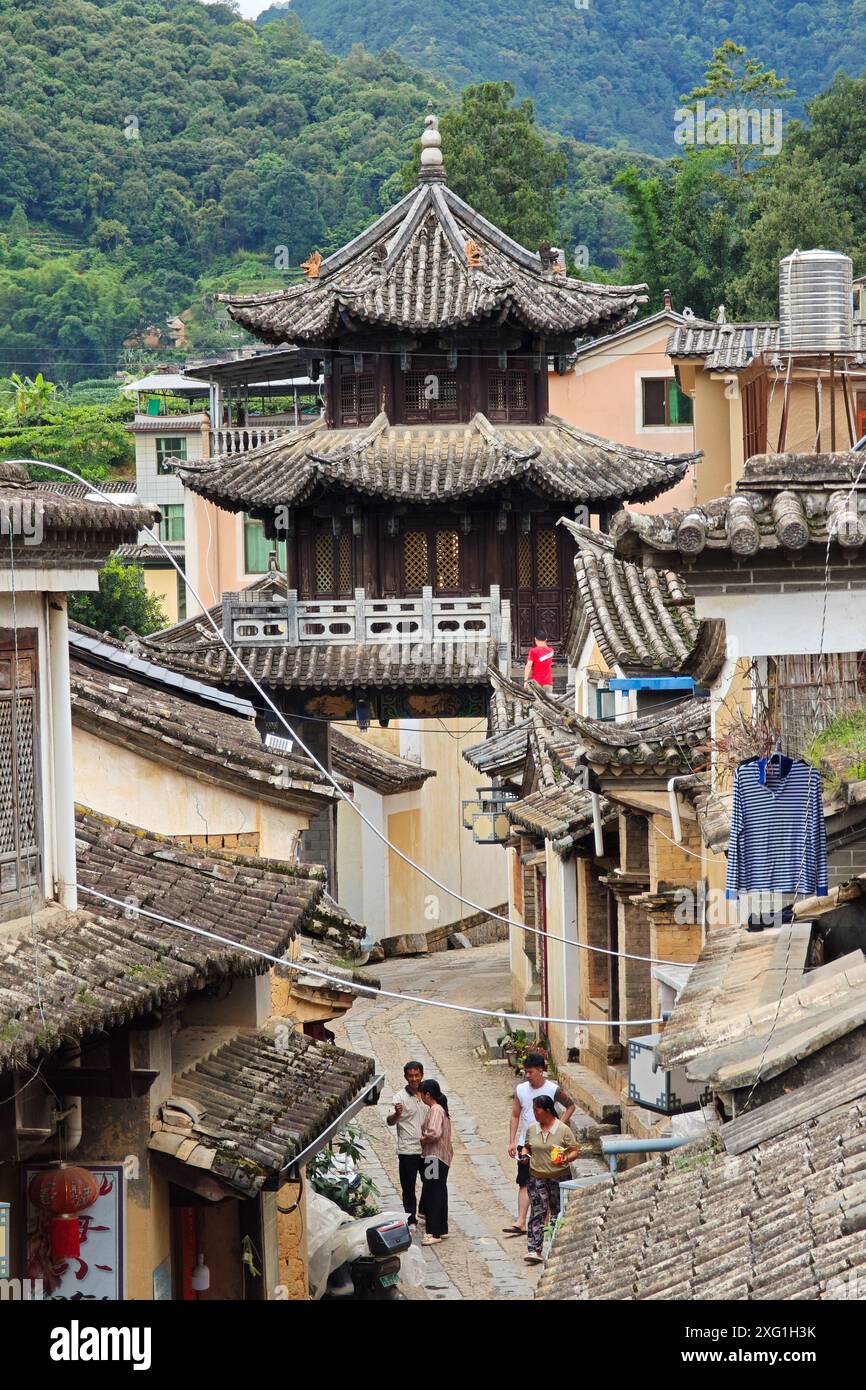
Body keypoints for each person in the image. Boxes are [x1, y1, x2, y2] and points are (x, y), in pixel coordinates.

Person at [504, 1053, 574, 1238]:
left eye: (530, 1072)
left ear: (541, 1071)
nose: (527, 1075)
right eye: (525, 1072)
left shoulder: (553, 1089)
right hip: (526, 1143)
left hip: (550, 1144)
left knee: (549, 1182)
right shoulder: (521, 1090)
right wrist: (512, 1141)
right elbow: (515, 1115)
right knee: (524, 1181)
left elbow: (570, 1106)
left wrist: (560, 1125)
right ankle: (520, 1220)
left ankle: (545, 1222)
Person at [519, 1094, 580, 1265]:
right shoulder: (532, 1128)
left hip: (558, 1177)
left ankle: (556, 1245)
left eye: (537, 1110)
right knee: (538, 1211)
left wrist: (566, 1158)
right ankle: (534, 1248)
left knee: (557, 1212)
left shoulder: (562, 1130)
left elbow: (575, 1150)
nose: (535, 1113)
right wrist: (524, 1155)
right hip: (537, 1176)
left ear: (546, 1110)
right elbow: (527, 1146)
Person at [386, 1061, 426, 1229]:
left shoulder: (428, 1094)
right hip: (408, 1151)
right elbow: (390, 1121)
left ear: (422, 1075)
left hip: (429, 1150)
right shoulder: (399, 1098)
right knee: (408, 1186)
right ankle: (411, 1218)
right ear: (405, 1077)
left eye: (417, 1075)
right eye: (411, 1076)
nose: (414, 1079)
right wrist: (397, 1113)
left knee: (432, 1181)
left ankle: (424, 1210)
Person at [418, 1080, 453, 1246]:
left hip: (434, 1157)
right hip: (441, 1157)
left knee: (432, 1192)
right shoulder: (440, 1109)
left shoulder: (435, 1109)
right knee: (440, 1191)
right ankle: (442, 1228)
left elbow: (434, 1132)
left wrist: (423, 1138)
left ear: (427, 1094)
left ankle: (434, 1231)